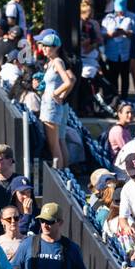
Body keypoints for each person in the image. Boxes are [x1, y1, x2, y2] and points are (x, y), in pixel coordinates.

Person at [34, 29, 75, 168]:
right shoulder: (51, 62)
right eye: (43, 45)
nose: (44, 48)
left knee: (54, 146)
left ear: (56, 47)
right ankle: (64, 173)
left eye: (47, 46)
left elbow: (68, 81)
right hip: (48, 105)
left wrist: (57, 94)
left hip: (51, 107)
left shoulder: (57, 62)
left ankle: (61, 177)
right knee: (57, 143)